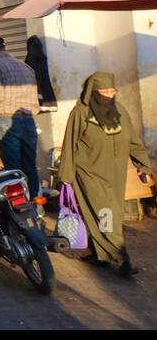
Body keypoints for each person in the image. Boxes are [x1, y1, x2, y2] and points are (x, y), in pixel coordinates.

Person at [59, 72, 154, 277]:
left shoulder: (119, 110)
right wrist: (66, 176)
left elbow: (133, 141)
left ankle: (98, 254)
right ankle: (121, 258)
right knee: (106, 214)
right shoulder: (80, 113)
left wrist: (144, 166)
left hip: (116, 175)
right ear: (93, 93)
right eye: (104, 91)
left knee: (108, 214)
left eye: (113, 91)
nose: (110, 95)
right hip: (89, 173)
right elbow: (69, 145)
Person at [0, 36, 42, 196]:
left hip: (7, 120)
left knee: (13, 169)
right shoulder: (26, 67)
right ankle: (36, 206)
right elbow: (35, 95)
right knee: (30, 166)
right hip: (29, 120)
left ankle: (18, 207)